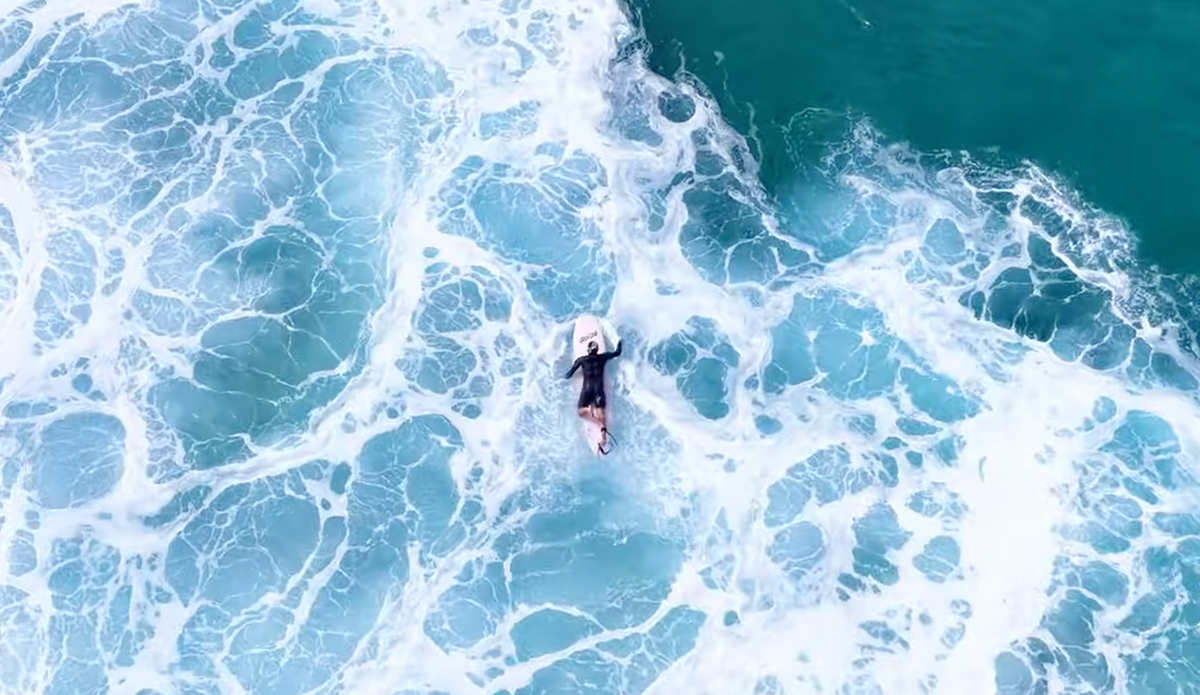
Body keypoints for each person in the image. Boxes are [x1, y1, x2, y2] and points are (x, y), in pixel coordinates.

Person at [565, 338, 623, 454]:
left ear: (588, 350)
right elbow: (617, 353)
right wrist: (619, 342)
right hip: (598, 390)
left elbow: (569, 374)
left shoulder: (581, 360)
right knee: (601, 412)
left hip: (587, 390)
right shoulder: (603, 357)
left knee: (581, 412)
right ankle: (603, 434)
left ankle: (591, 414)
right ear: (597, 350)